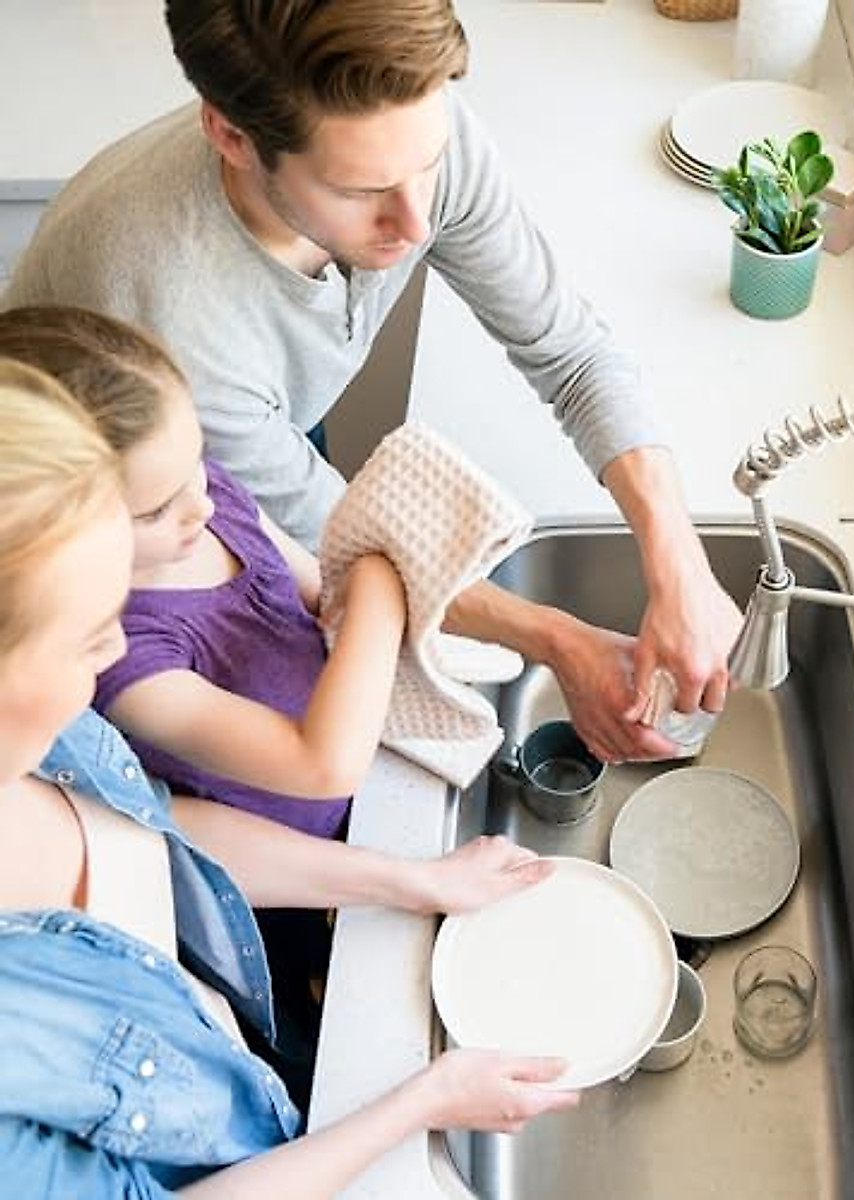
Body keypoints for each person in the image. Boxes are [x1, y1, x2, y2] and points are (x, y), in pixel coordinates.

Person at [2, 0, 743, 755]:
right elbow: (341, 543)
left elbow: (571, 353)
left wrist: (679, 562)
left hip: (253, 425)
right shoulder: (176, 322)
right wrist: (556, 640)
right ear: (231, 134)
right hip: (107, 546)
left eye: (428, 164)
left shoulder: (414, 142)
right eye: (361, 191)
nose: (418, 222)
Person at [0, 302, 676, 1085]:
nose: (203, 506)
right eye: (155, 509)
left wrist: (361, 588)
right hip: (284, 880)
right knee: (327, 1007)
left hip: (369, 803)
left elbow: (324, 590)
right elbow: (321, 763)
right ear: (67, 527)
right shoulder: (125, 653)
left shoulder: (203, 503)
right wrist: (385, 576)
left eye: (197, 464)